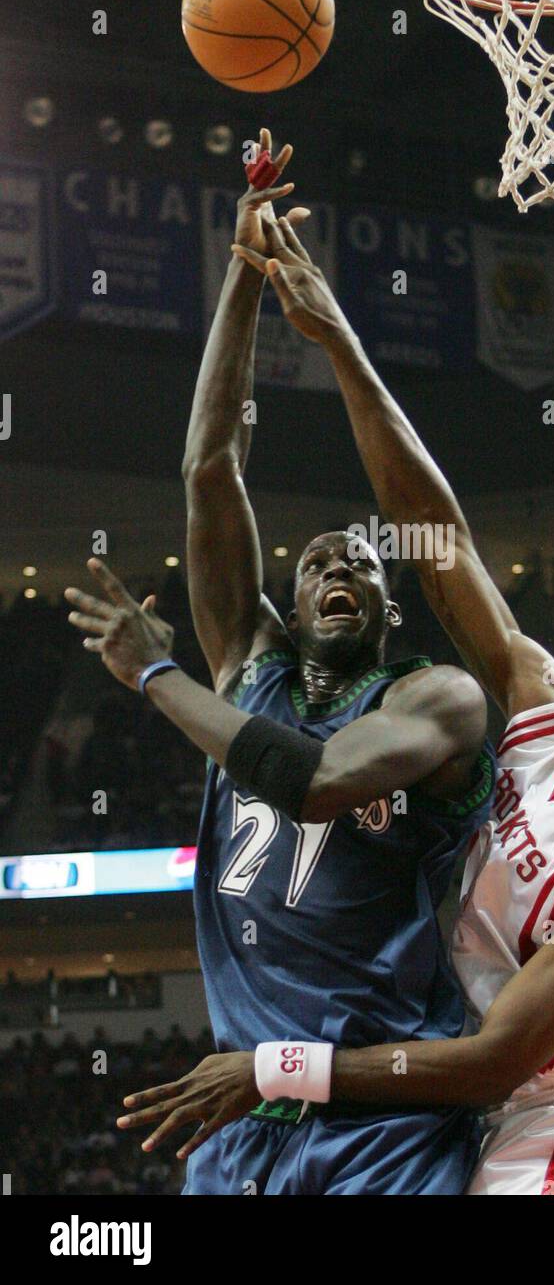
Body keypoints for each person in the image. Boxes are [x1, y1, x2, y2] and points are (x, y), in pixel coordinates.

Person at [110, 158, 554, 1197]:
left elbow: (499, 1060)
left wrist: (150, 671)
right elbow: (439, 536)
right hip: (416, 1090)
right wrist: (334, 338)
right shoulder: (546, 716)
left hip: (545, 1120)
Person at [64, 130, 495, 1196]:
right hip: (241, 1108)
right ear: (288, 604)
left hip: (380, 1106)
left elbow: (310, 782)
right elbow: (211, 465)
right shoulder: (248, 662)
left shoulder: (433, 698)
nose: (338, 561)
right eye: (314, 561)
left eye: (359, 560)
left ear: (388, 604)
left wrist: (158, 679)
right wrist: (242, 277)